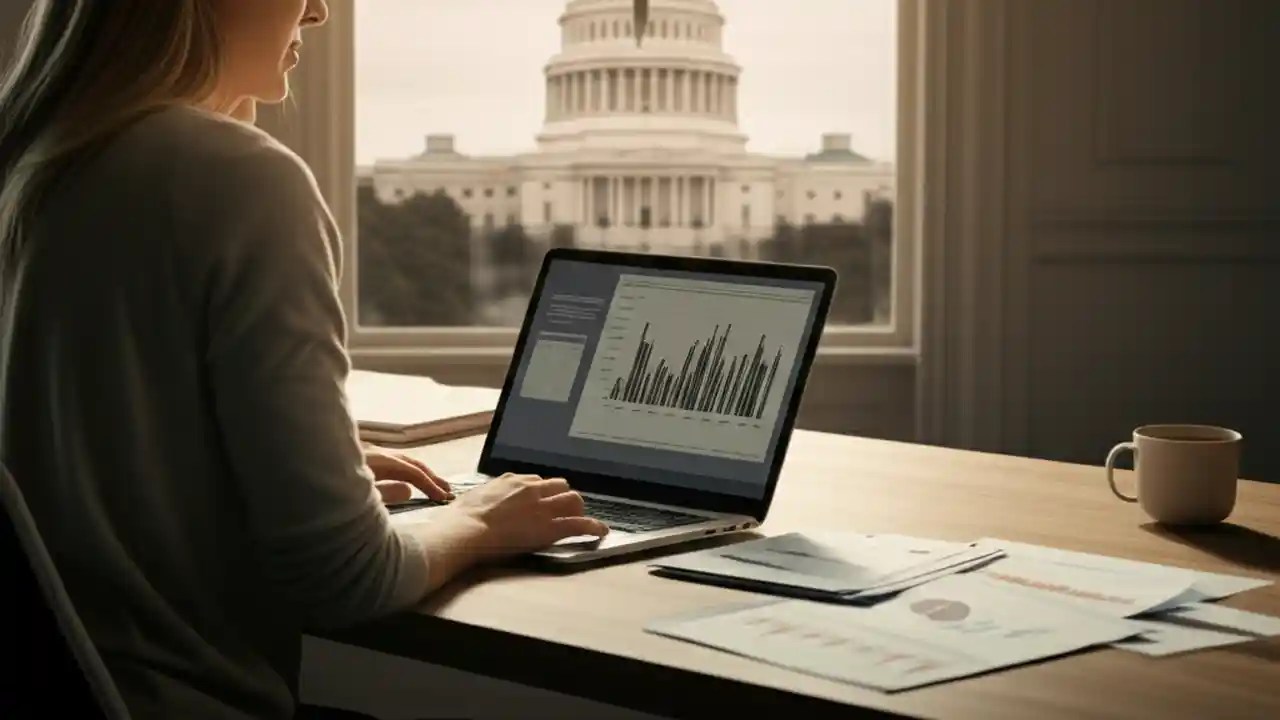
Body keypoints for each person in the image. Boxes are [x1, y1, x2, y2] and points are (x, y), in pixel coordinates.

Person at [0, 1, 609, 718]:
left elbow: (81, 444)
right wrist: (481, 520)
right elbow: (348, 577)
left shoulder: (31, 160)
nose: (319, 10)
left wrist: (279, 465)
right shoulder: (235, 179)